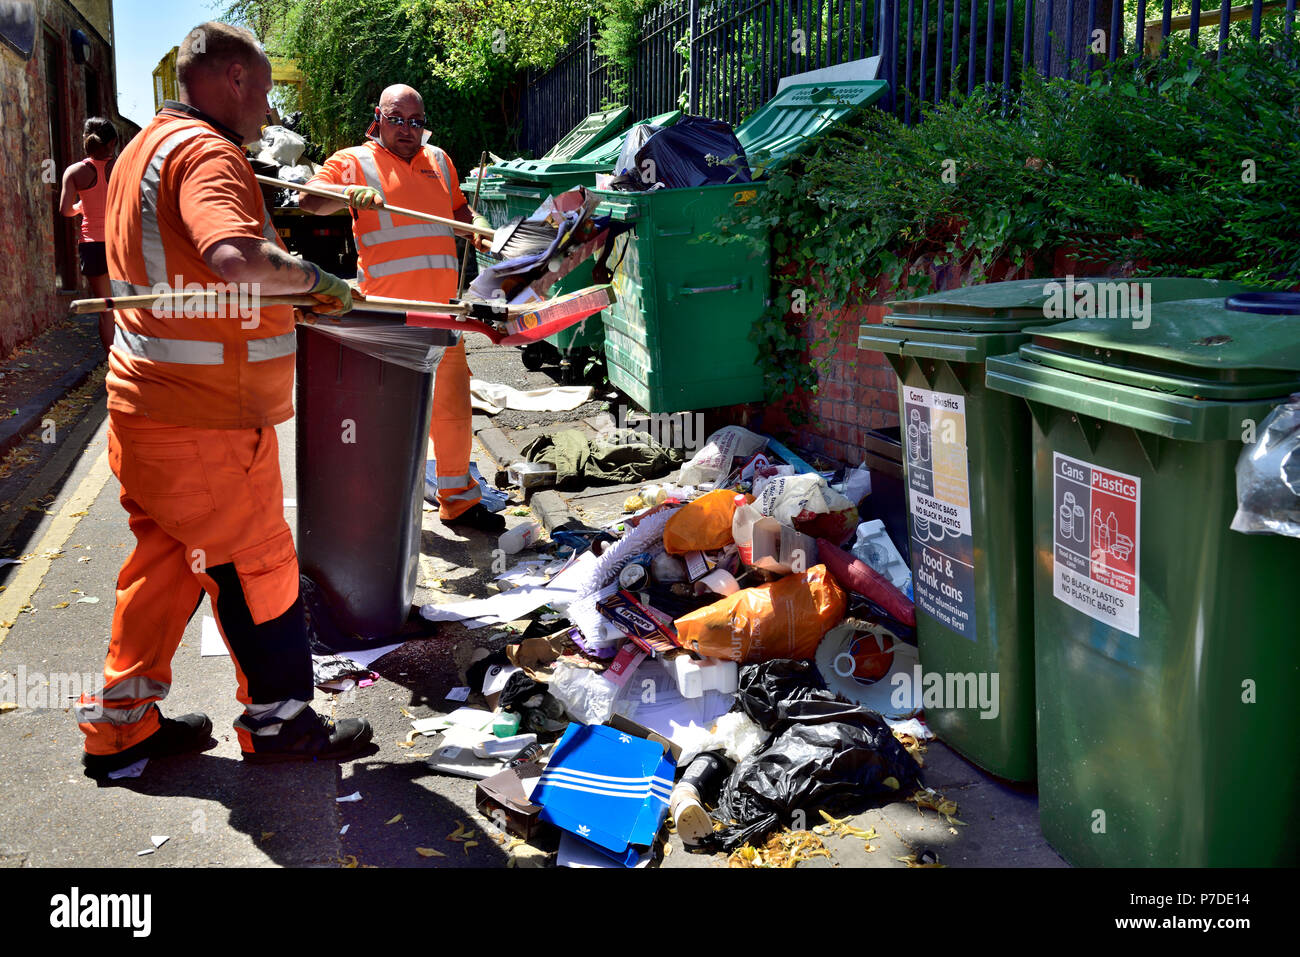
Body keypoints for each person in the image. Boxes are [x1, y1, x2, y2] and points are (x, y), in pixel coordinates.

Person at [76, 21, 372, 779]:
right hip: (205, 421)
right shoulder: (208, 152)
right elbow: (235, 258)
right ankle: (279, 723)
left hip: (146, 409)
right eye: (266, 92)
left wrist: (286, 299)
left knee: (167, 563)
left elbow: (188, 277)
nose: (268, 110)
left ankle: (121, 729)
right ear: (234, 80)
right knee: (259, 564)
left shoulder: (144, 149)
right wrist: (315, 281)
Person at [297, 84, 504, 532]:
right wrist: (347, 194)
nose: (408, 130)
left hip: (444, 312)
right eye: (397, 119)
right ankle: (381, 506)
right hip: (389, 314)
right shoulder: (352, 162)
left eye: (416, 121)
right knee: (386, 415)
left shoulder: (440, 161)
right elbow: (308, 201)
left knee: (451, 413)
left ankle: (459, 501)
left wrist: (479, 228)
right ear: (378, 117)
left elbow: (461, 214)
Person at [59, 116, 119, 354]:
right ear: (113, 142)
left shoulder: (75, 172)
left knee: (107, 309)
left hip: (93, 246)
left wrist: (81, 208)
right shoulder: (122, 166)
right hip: (120, 244)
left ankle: (113, 364)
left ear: (86, 140)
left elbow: (65, 210)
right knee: (130, 304)